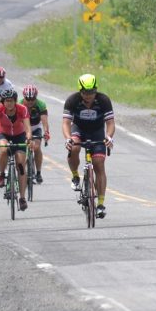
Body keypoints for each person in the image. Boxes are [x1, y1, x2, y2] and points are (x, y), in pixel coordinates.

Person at [62, 73, 114, 219]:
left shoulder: (103, 100)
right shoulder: (72, 100)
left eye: (92, 92)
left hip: (97, 132)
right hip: (79, 129)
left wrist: (109, 137)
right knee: (74, 147)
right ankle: (75, 176)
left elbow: (110, 123)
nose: (89, 95)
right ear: (80, 91)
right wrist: (68, 139)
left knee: (99, 164)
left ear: (96, 90)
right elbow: (66, 123)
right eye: (85, 92)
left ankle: (101, 204)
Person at [0, 87, 31, 211]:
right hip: (3, 134)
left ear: (15, 101)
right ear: (3, 102)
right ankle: (1, 174)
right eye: (7, 101)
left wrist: (29, 139)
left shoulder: (22, 109)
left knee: (21, 166)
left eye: (11, 100)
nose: (9, 103)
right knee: (3, 149)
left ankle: (22, 198)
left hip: (19, 135)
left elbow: (28, 128)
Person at [20, 84, 50, 183]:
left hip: (36, 127)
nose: (30, 101)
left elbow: (44, 121)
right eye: (28, 99)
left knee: (36, 147)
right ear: (24, 97)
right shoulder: (19, 104)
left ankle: (38, 172)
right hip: (23, 128)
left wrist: (46, 132)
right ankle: (22, 173)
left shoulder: (41, 105)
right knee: (22, 150)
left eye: (32, 99)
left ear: (36, 97)